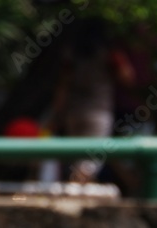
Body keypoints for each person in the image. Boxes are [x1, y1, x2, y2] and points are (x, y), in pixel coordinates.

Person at [48, 19, 133, 184]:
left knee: (81, 163)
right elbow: (127, 77)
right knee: (88, 165)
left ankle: (78, 199)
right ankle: (75, 201)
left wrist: (57, 115)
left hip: (74, 114)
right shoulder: (109, 51)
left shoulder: (72, 52)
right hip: (98, 113)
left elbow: (62, 87)